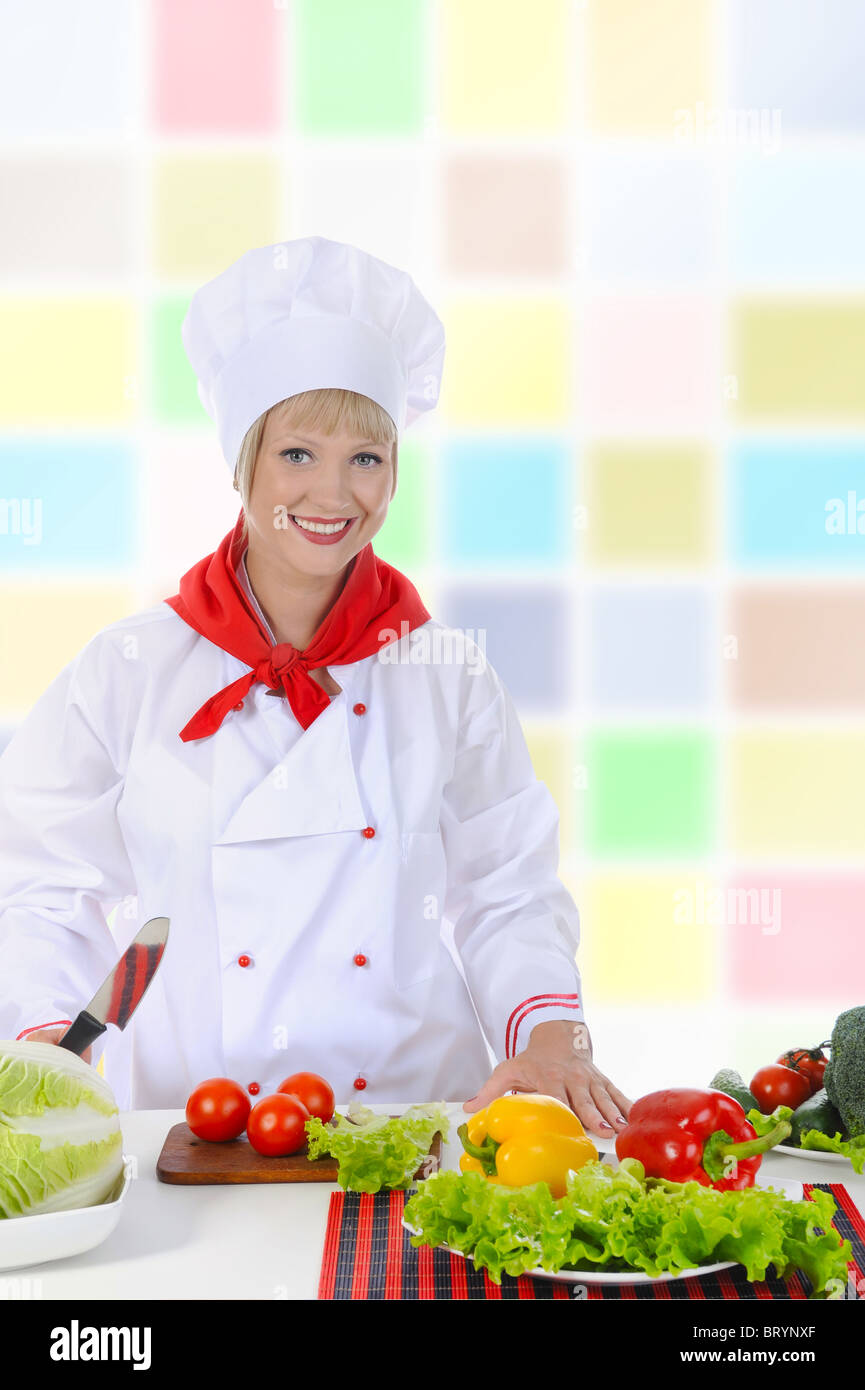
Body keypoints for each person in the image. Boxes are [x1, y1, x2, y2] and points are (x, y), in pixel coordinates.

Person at [0, 236, 631, 1138]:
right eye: (297, 453)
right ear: (243, 463)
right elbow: (42, 885)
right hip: (196, 1122)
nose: (333, 492)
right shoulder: (125, 670)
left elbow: (506, 888)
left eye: (366, 459)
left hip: (417, 1116)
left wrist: (550, 1034)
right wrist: (48, 1041)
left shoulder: (446, 675)